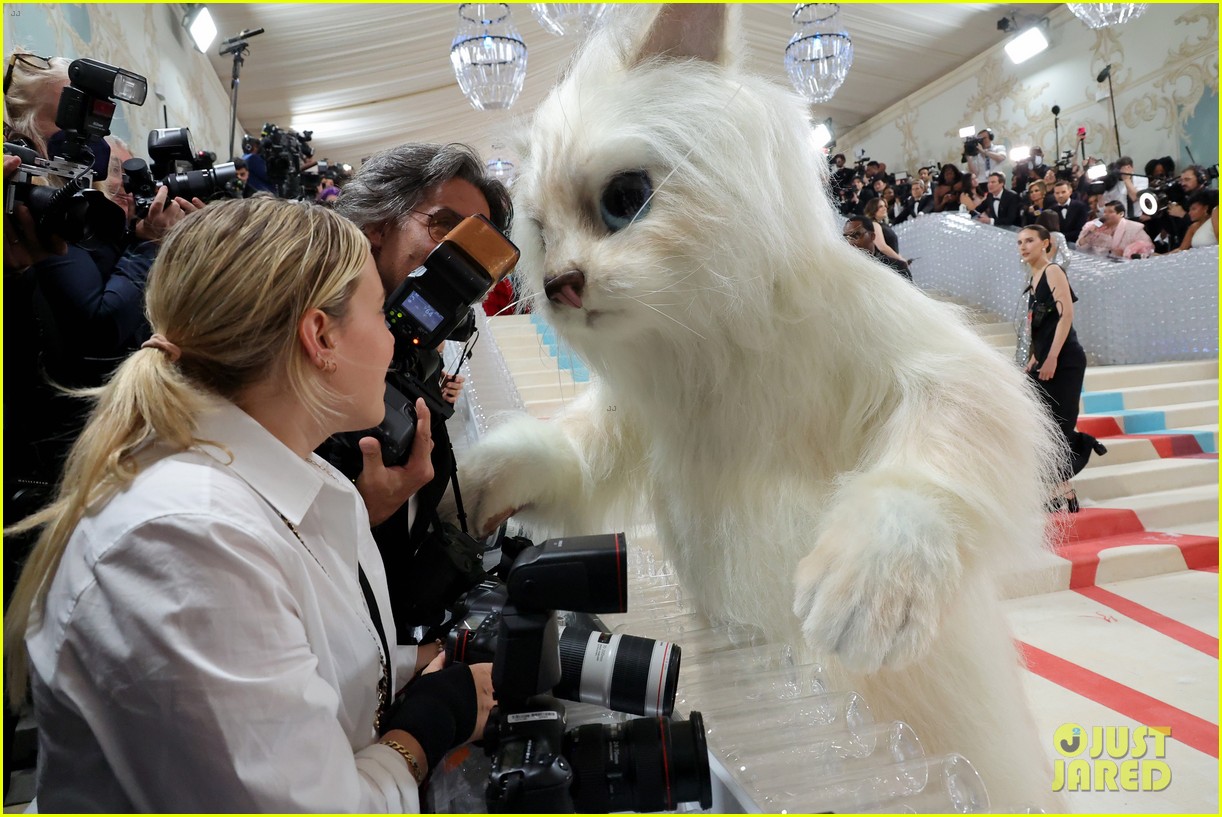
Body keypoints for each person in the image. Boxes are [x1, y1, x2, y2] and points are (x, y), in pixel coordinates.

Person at [3, 197, 496, 811]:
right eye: (378, 312)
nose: (395, 340)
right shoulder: (184, 543)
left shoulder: (311, 478)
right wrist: (420, 733)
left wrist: (420, 663)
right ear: (320, 336)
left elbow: (302, 670)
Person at [328, 143, 512, 639]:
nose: (456, 253)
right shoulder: (309, 343)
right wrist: (362, 513)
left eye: (474, 242)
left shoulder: (418, 351)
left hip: (394, 621)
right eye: (443, 224)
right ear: (378, 225)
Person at [1018, 224, 1107, 513]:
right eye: (1019, 242)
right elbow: (1040, 325)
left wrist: (1052, 356)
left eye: (1029, 240)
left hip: (1065, 360)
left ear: (1045, 243)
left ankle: (1069, 476)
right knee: (1044, 425)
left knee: (1059, 424)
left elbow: (1066, 315)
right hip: (1046, 358)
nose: (1023, 246)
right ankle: (1064, 491)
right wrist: (1035, 357)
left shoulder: (1053, 270)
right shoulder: (1033, 278)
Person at [1076, 199, 1155, 258]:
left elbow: (1147, 249)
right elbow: (1079, 247)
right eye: (1105, 212)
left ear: (1121, 214)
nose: (1106, 215)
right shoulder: (1093, 225)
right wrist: (1090, 234)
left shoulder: (1134, 228)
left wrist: (1125, 254)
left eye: (1110, 212)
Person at [844, 214, 910, 279]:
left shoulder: (897, 267)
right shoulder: (844, 270)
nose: (850, 243)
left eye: (855, 236)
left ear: (872, 236)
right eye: (846, 238)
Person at [862, 196, 905, 263]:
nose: (885, 208)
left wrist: (901, 258)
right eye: (881, 206)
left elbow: (893, 247)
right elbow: (882, 247)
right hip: (886, 263)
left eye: (885, 206)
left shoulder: (883, 225)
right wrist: (900, 259)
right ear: (873, 209)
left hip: (892, 261)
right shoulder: (875, 225)